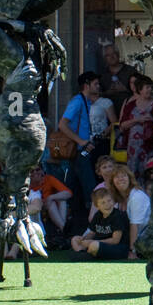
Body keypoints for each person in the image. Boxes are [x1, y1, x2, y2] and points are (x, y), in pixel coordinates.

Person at [58, 71, 103, 218]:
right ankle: (93, 220)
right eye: (95, 84)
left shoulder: (86, 101)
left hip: (81, 149)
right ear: (86, 85)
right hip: (78, 150)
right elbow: (62, 125)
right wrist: (81, 141)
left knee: (72, 188)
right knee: (89, 186)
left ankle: (70, 220)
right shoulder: (77, 101)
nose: (98, 86)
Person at [71, 187, 130, 260]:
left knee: (94, 245)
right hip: (99, 244)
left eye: (109, 200)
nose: (107, 204)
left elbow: (115, 240)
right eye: (103, 202)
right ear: (97, 206)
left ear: (113, 201)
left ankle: (87, 255)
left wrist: (92, 241)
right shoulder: (98, 215)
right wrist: (83, 239)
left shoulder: (118, 216)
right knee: (75, 239)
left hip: (117, 248)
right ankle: (82, 253)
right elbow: (92, 233)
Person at [98, 43, 132, 108]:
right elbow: (96, 95)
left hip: (128, 111)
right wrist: (107, 93)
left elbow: (141, 91)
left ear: (118, 55)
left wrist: (125, 89)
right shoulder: (102, 75)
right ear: (105, 58)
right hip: (108, 112)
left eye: (114, 53)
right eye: (108, 55)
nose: (112, 57)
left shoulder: (130, 71)